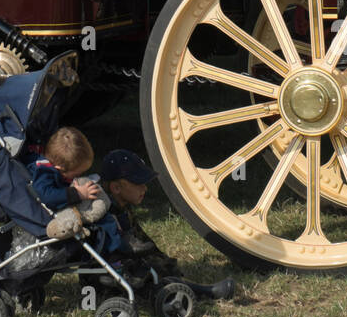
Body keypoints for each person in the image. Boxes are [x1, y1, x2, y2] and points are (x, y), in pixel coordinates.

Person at [101, 149, 237, 302]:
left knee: (159, 269)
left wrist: (164, 262)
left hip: (125, 267)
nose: (145, 188)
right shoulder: (109, 215)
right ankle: (206, 293)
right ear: (116, 188)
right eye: (138, 183)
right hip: (114, 276)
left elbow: (142, 240)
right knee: (154, 279)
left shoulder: (122, 207)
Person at [29, 127, 121, 256]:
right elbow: (47, 196)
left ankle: (120, 243)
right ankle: (113, 256)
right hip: (63, 215)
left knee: (108, 213)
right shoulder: (43, 173)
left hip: (74, 207)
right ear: (60, 168)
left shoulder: (58, 168)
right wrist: (77, 193)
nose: (81, 174)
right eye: (77, 173)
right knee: (104, 224)